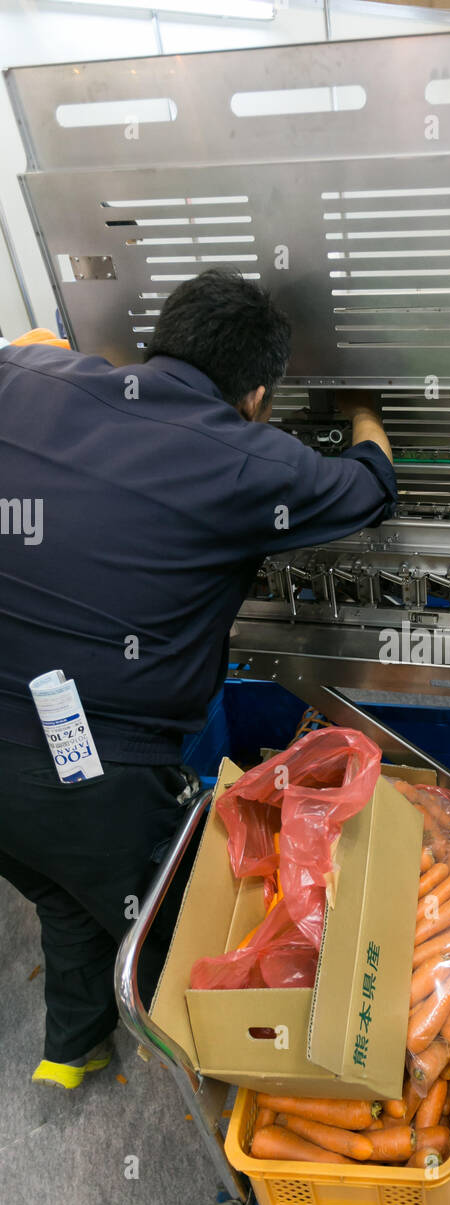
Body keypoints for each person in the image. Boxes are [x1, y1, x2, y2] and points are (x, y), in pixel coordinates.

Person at [0, 268, 397, 1089]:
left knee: (63, 882)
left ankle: (70, 1050)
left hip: (29, 770)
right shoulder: (251, 459)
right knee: (183, 929)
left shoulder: (28, 374)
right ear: (255, 395)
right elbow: (370, 485)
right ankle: (237, 1096)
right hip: (86, 768)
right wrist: (367, 415)